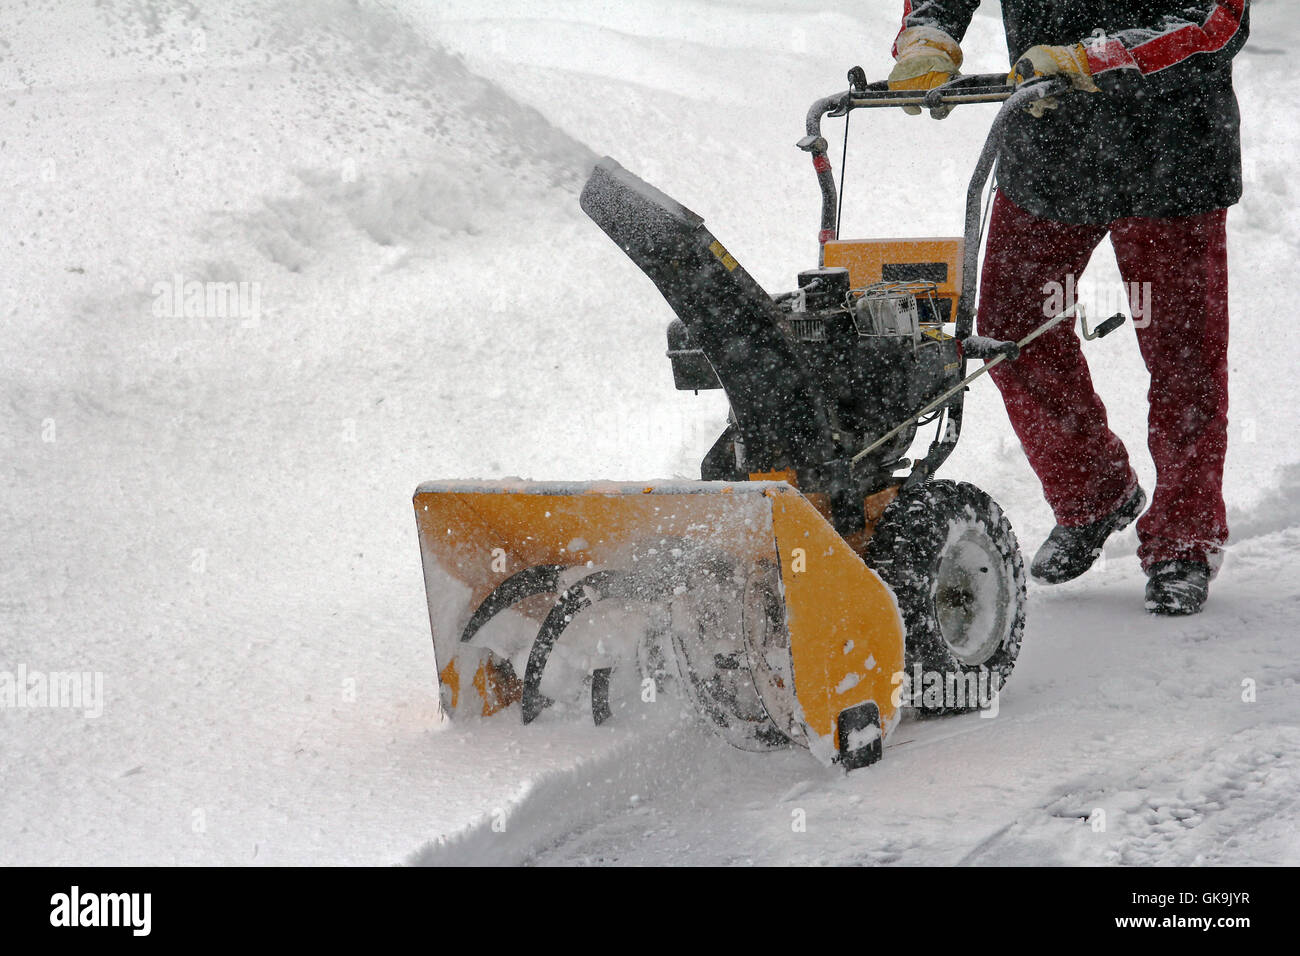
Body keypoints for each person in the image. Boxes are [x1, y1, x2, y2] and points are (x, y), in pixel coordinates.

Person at [887, 1, 1249, 615]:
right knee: (1009, 329)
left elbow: (1218, 20)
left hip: (1174, 147)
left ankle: (1183, 540)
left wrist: (1096, 58)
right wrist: (929, 29)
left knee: (1182, 352)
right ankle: (1095, 492)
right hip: (1052, 144)